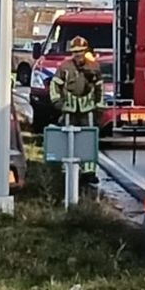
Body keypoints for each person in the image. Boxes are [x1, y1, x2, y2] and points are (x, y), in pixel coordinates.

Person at [49, 36, 103, 184]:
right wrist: (57, 101)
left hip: (88, 108)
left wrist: (99, 105)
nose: (78, 55)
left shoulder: (94, 67)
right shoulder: (65, 67)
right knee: (67, 137)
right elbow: (55, 85)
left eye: (80, 51)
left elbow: (99, 87)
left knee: (89, 138)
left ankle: (89, 171)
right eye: (75, 52)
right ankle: (68, 168)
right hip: (69, 108)